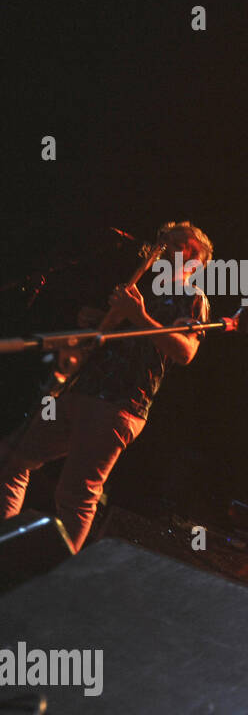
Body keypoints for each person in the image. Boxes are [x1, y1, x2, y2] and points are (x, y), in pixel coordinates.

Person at [0, 222, 212, 552]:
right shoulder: (142, 287)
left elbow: (184, 352)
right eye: (161, 240)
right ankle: (6, 546)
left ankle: (54, 578)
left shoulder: (191, 297)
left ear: (194, 257)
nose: (161, 246)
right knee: (11, 459)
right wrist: (98, 321)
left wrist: (138, 316)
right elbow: (110, 339)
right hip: (79, 390)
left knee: (75, 495)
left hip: (118, 403)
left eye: (172, 243)